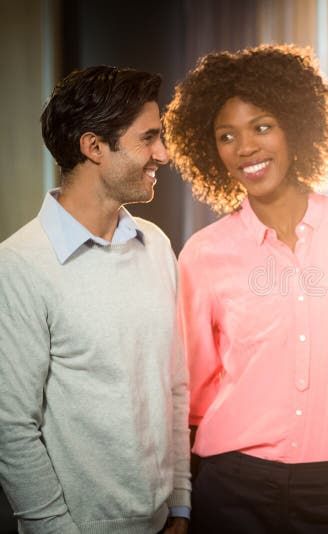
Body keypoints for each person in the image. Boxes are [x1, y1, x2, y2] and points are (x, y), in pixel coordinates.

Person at [164, 44, 328, 533]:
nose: (245, 147)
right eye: (227, 136)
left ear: (297, 127)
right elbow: (191, 393)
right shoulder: (204, 254)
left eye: (262, 126)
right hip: (232, 489)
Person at [0, 66, 191, 534]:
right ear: (94, 147)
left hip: (166, 523)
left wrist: (181, 505)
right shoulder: (19, 264)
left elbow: (175, 387)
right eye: (149, 139)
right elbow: (9, 426)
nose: (163, 155)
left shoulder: (157, 245)